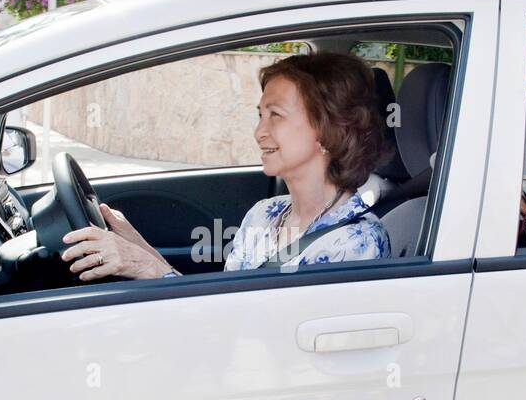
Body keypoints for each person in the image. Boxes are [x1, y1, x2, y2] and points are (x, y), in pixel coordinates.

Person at [61, 53, 392, 279]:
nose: (259, 132)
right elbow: (226, 310)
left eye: (276, 115)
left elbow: (253, 340)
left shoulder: (355, 245)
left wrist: (148, 268)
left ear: (327, 129)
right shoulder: (266, 213)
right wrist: (139, 248)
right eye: (260, 115)